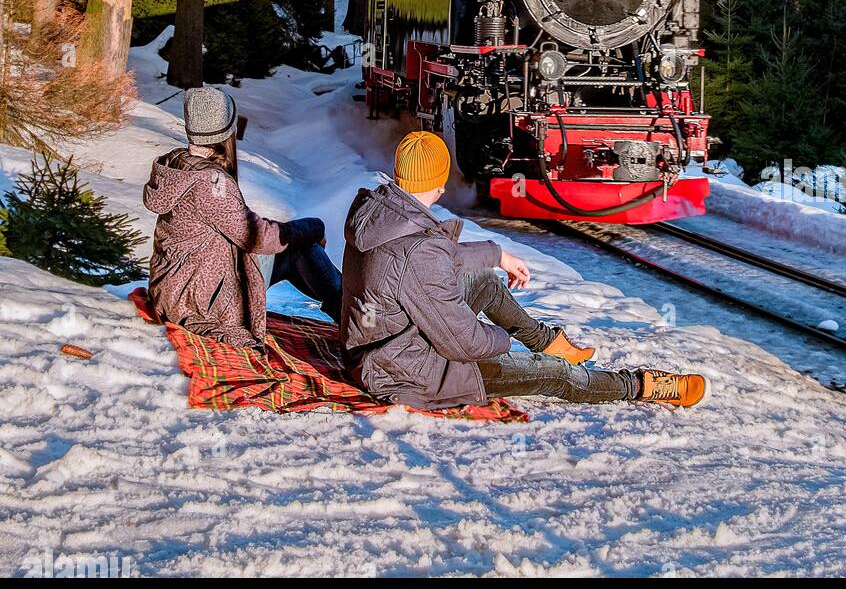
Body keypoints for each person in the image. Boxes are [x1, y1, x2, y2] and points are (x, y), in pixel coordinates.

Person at [340, 130, 710, 409]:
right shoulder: (418, 248)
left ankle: (550, 342)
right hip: (408, 373)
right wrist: (505, 344)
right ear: (440, 181)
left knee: (483, 282)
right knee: (554, 374)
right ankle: (643, 386)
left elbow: (427, 265)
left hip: (384, 346)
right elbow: (464, 342)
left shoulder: (384, 214)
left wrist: (496, 253)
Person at [145, 87, 342, 347]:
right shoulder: (210, 182)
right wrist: (315, 227)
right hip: (198, 298)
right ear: (224, 130)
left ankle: (349, 311)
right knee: (301, 250)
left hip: (176, 289)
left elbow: (237, 226)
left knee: (294, 246)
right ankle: (358, 319)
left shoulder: (178, 164)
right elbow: (259, 238)